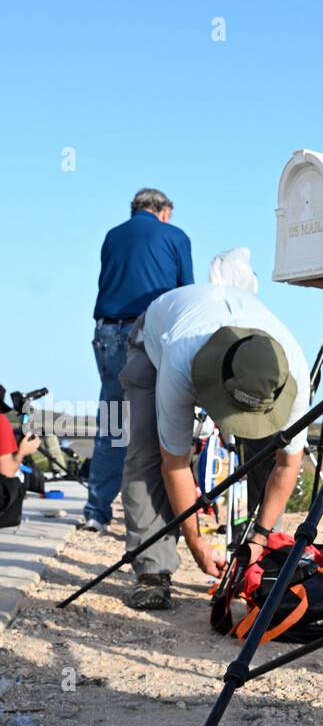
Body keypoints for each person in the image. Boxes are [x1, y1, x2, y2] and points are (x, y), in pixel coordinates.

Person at [119, 267, 310, 611]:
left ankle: (255, 561)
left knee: (268, 449)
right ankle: (152, 571)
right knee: (146, 450)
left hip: (225, 346)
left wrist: (260, 537)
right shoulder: (179, 362)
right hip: (155, 338)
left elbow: (287, 464)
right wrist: (196, 541)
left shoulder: (293, 372)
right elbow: (174, 464)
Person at [80, 188, 193, 535]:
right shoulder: (175, 236)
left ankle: (96, 513)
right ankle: (157, 518)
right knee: (158, 423)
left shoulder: (113, 236)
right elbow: (185, 292)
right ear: (161, 210)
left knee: (113, 421)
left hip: (108, 334)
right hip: (148, 335)